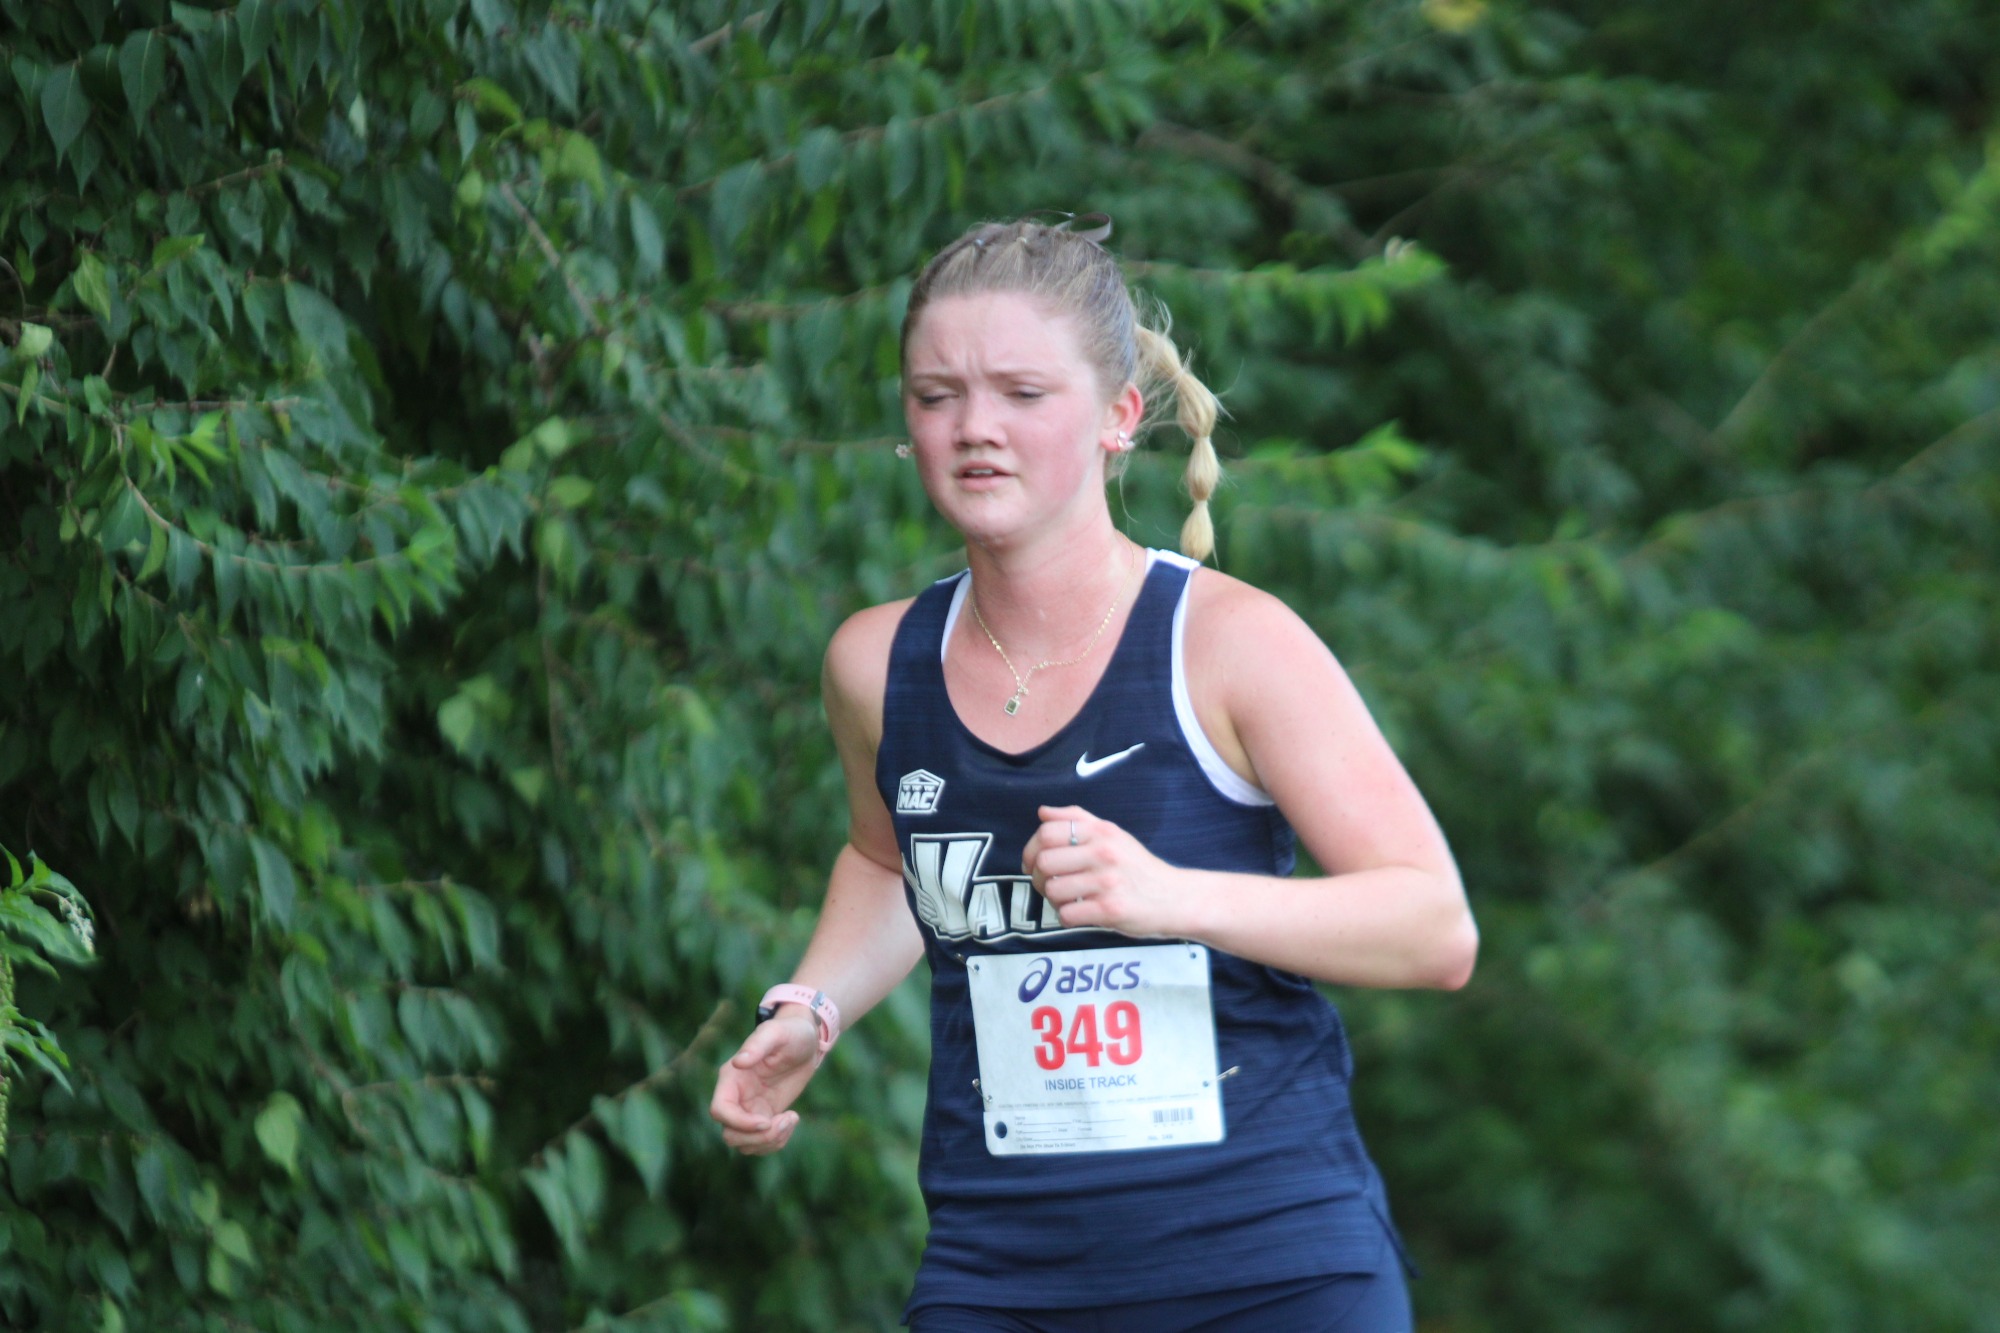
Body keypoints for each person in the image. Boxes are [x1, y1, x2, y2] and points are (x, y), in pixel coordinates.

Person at [709, 215, 1477, 1332]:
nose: (974, 429)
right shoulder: (876, 664)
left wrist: (1166, 896)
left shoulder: (1227, 643)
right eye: (936, 397)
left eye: (1022, 393)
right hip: (1001, 1276)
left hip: (1268, 1269)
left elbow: (1431, 927)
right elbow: (891, 865)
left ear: (1120, 417)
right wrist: (812, 1008)